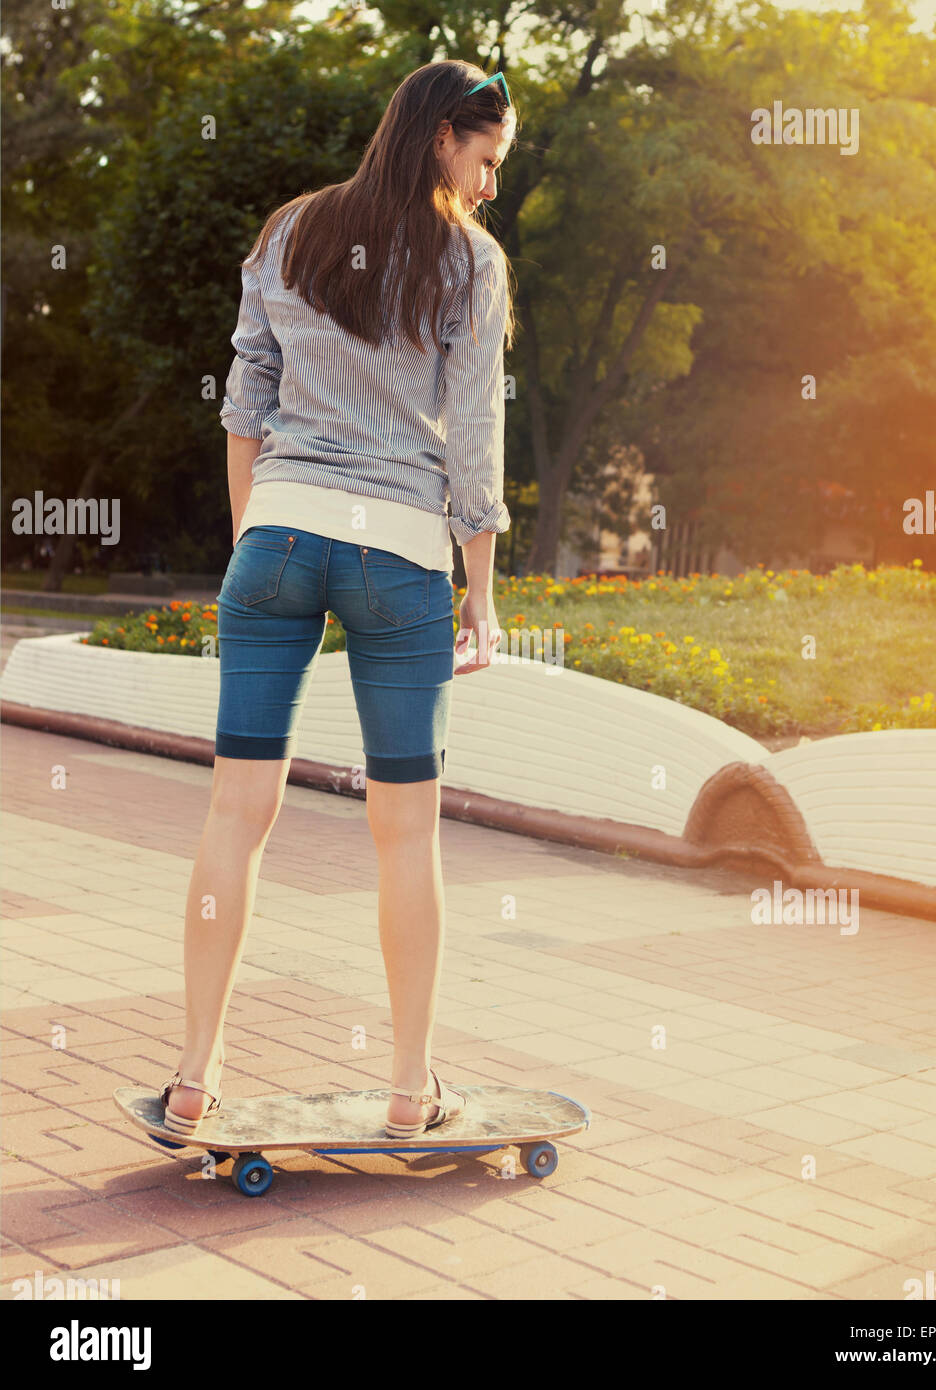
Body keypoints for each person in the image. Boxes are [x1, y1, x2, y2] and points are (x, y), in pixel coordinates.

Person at [160, 60, 517, 1141]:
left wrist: (254, 541)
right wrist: (483, 597)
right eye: (488, 160)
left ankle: (192, 1073)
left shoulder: (291, 233)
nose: (492, 186)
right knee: (406, 835)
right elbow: (475, 455)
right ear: (445, 138)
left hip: (275, 539)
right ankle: (409, 1090)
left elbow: (244, 404)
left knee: (236, 814)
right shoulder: (469, 261)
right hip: (399, 558)